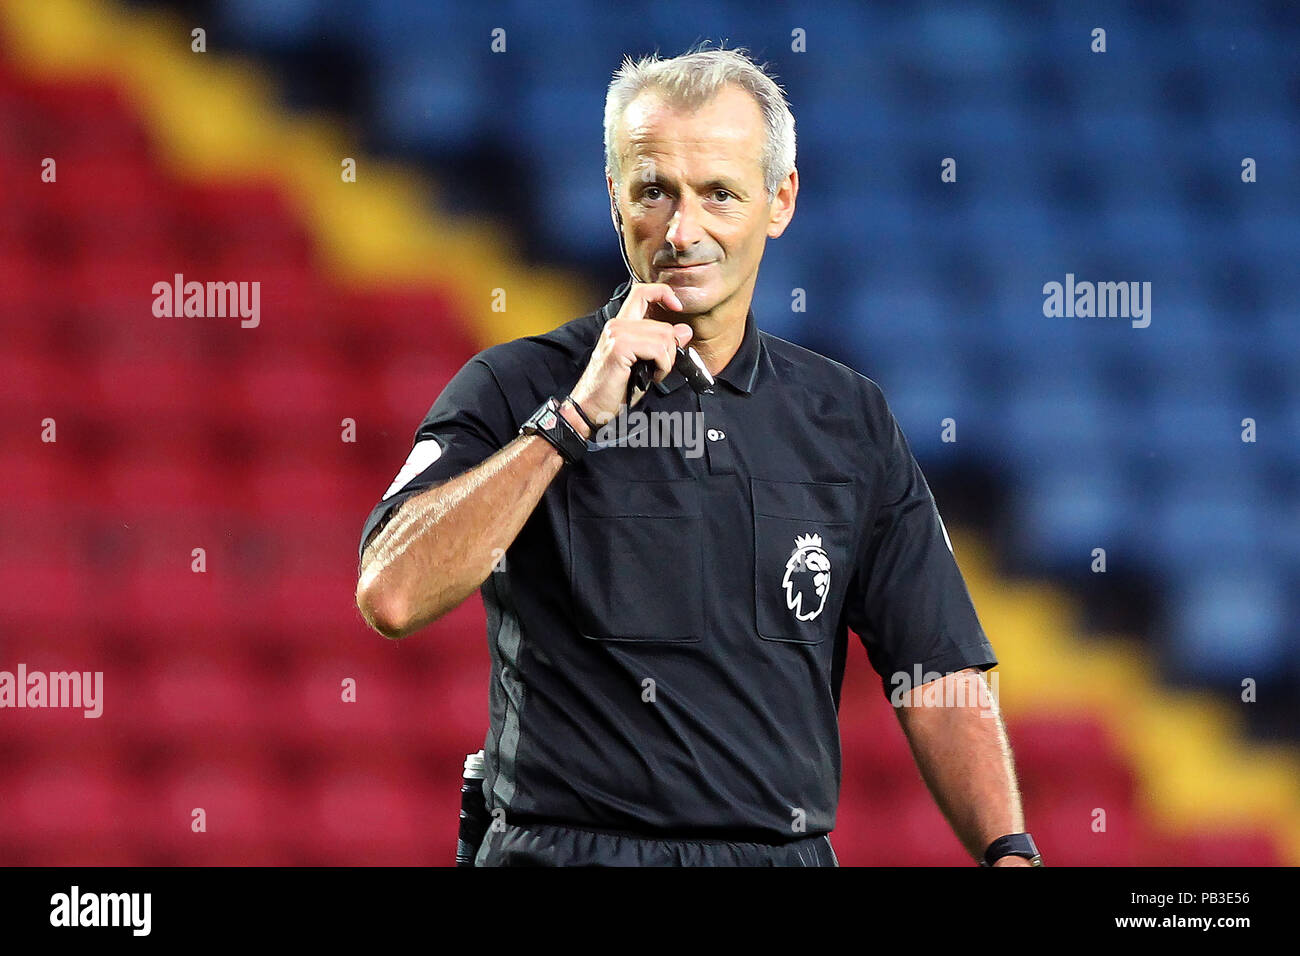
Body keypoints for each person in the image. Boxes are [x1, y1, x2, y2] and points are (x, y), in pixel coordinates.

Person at [356, 46, 1039, 867]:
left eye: (719, 192)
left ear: (779, 200)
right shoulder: (512, 385)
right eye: (654, 191)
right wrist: (571, 421)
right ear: (615, 199)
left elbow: (934, 671)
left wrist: (1009, 851)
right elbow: (391, 594)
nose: (683, 231)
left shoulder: (847, 416)